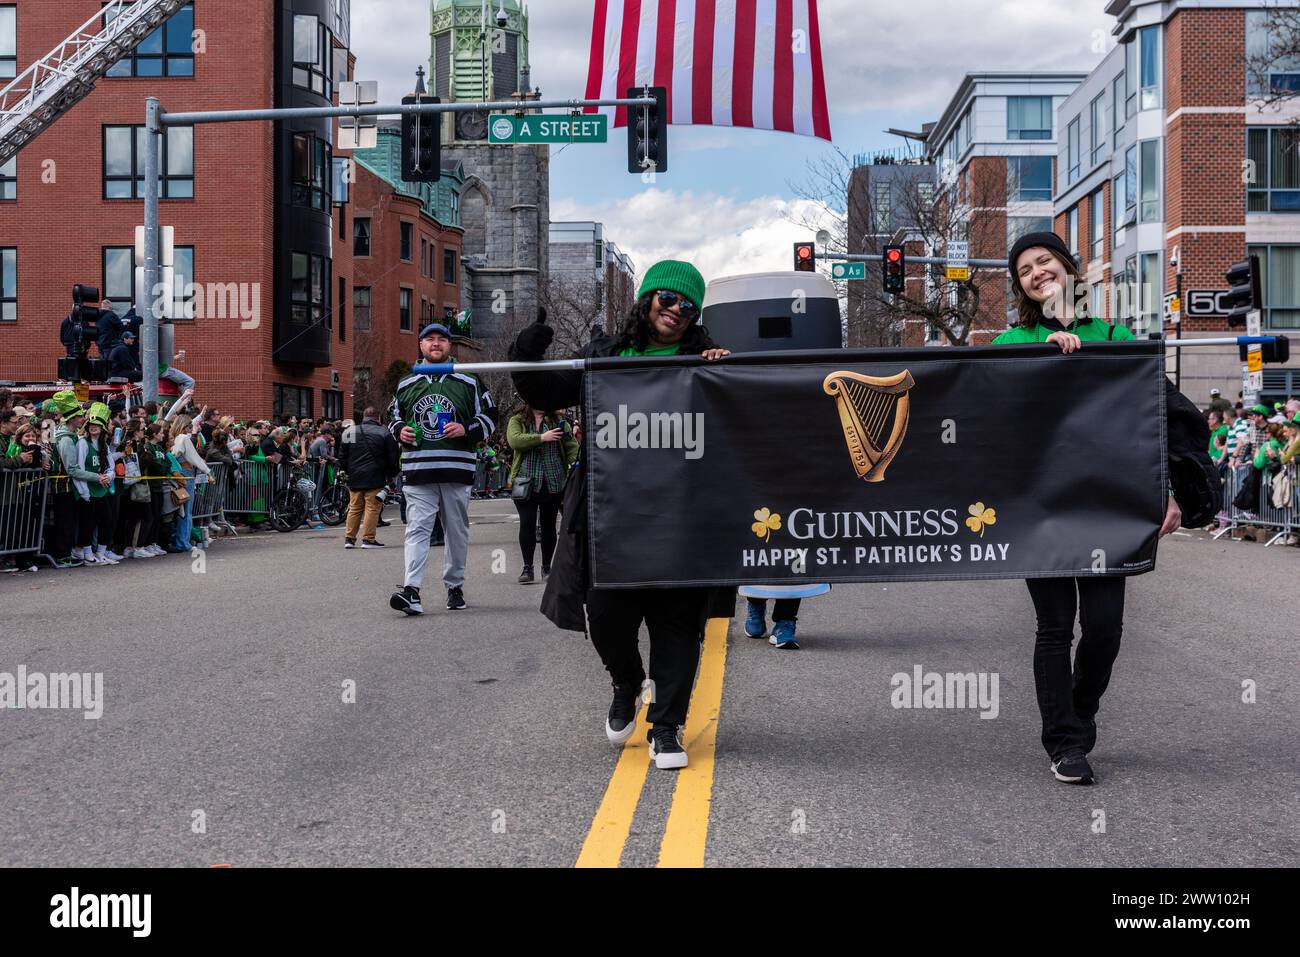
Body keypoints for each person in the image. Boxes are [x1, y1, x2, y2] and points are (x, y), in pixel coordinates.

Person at [509, 264, 734, 770]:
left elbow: (742, 417)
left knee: (678, 623)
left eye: (689, 306)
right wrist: (528, 351)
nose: (677, 311)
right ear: (648, 297)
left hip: (681, 517)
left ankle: (668, 727)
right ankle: (626, 683)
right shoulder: (604, 355)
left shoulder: (706, 360)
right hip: (609, 513)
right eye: (669, 298)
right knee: (607, 617)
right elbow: (544, 394)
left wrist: (726, 371)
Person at [994, 232, 1181, 786]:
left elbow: (1153, 422)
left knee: (1105, 628)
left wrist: (1166, 490)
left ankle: (1081, 709)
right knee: (1055, 627)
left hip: (1107, 506)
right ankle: (1066, 742)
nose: (1036, 272)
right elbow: (991, 406)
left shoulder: (1115, 335)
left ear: (1069, 267)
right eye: (1025, 268)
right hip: (1042, 506)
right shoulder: (1010, 340)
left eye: (1044, 261)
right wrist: (1041, 359)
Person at [388, 322, 498, 614]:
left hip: (456, 469)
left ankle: (455, 586)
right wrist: (400, 430)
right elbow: (392, 418)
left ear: (450, 346)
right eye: (429, 339)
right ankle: (411, 590)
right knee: (417, 530)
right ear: (421, 345)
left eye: (441, 340)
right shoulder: (406, 383)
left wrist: (467, 429)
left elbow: (490, 415)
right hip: (417, 469)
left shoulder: (469, 380)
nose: (435, 344)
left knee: (456, 530)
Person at [506, 404, 579, 583]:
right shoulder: (517, 420)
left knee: (549, 525)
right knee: (527, 524)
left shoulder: (559, 422)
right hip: (525, 481)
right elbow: (515, 441)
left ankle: (547, 568)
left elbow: (571, 447)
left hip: (553, 481)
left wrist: (574, 465)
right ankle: (527, 568)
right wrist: (542, 438)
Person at [339, 407, 400, 549]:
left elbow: (342, 455)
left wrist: (349, 470)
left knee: (354, 508)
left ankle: (349, 538)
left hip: (355, 475)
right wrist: (392, 473)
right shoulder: (384, 432)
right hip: (375, 475)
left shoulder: (350, 431)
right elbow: (393, 456)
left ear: (364, 416)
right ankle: (368, 539)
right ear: (377, 418)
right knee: (372, 508)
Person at [47, 391, 91, 567]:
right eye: (80, 416)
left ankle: (65, 553)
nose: (83, 419)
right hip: (62, 486)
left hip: (66, 486)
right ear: (73, 419)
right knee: (65, 522)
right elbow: (71, 469)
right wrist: (96, 477)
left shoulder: (68, 434)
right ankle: (63, 555)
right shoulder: (65, 438)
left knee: (68, 521)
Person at [74, 403, 121, 565]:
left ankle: (100, 552)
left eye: (97, 425)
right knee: (88, 523)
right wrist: (84, 492)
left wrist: (109, 476)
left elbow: (110, 466)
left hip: (100, 491)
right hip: (86, 491)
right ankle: (87, 553)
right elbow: (79, 468)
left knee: (108, 521)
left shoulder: (104, 446)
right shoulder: (82, 443)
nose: (94, 427)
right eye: (91, 425)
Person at [169, 414, 210, 551]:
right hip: (186, 475)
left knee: (180, 510)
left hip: (179, 474)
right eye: (189, 426)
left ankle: (181, 541)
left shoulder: (174, 438)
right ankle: (183, 543)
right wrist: (207, 471)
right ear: (184, 426)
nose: (190, 429)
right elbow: (194, 458)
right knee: (186, 511)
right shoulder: (184, 438)